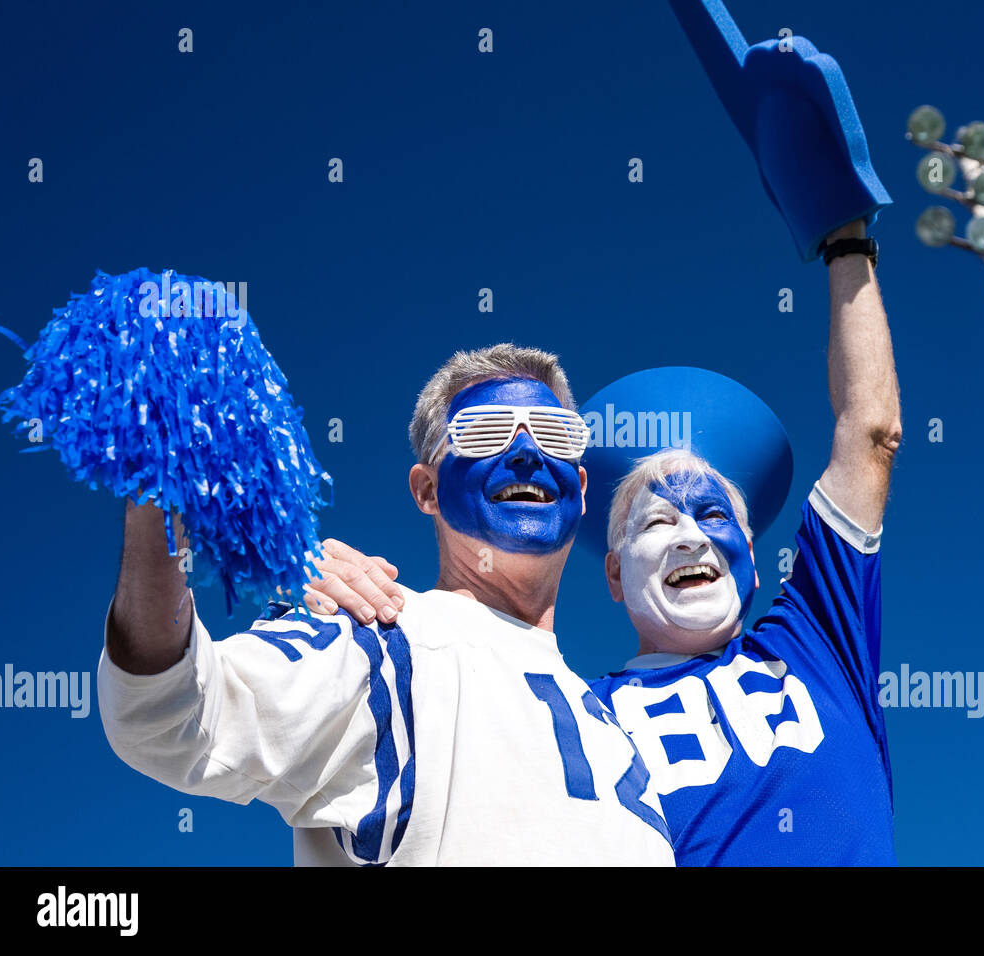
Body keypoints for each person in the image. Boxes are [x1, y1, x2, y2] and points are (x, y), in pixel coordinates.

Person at [311, 209, 900, 864]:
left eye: (713, 516)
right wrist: (354, 607)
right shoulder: (575, 713)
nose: (690, 538)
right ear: (615, 575)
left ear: (755, 563)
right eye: (656, 521)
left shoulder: (820, 645)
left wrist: (846, 240)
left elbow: (871, 434)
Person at [99, 344, 675, 866]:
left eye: (552, 432)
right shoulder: (383, 637)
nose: (526, 450)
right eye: (486, 431)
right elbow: (170, 712)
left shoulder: (619, 730)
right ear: (428, 489)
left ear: (577, 487)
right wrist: (161, 488)